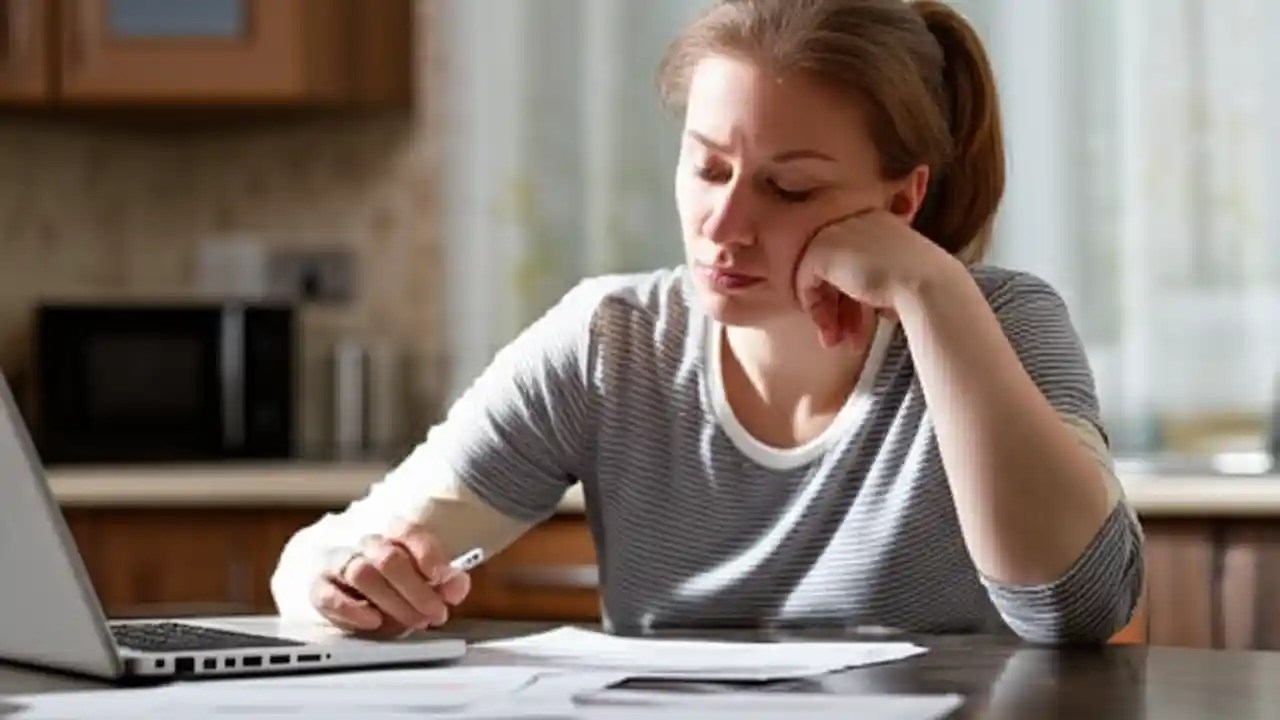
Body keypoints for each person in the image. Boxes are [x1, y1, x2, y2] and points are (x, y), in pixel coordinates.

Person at [271, 0, 1143, 644]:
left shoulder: (998, 321)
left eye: (789, 187)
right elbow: (316, 561)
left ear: (902, 196)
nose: (725, 225)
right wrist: (346, 584)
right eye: (708, 166)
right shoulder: (611, 342)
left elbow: (1081, 605)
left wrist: (932, 292)